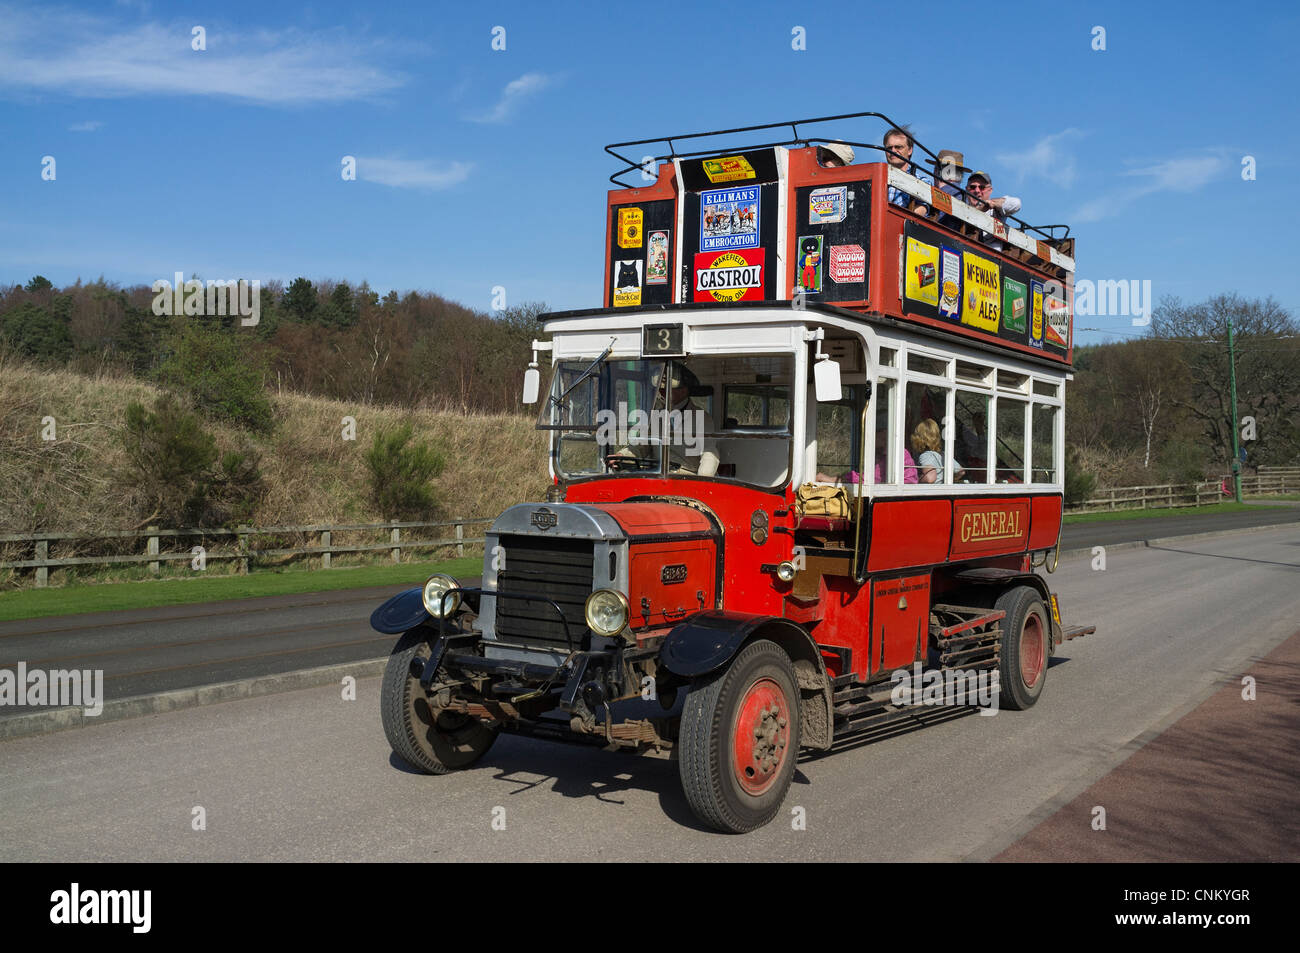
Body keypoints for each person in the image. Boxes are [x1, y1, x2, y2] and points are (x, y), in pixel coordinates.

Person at [607, 364, 719, 476]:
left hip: (686, 480)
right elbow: (642, 445)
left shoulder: (701, 418)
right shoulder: (656, 415)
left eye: (668, 389)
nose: (662, 392)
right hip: (657, 477)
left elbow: (709, 453)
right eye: (660, 389)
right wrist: (622, 456)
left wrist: (702, 482)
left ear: (684, 390)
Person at [965, 170, 1021, 252]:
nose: (977, 191)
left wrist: (992, 203)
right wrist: (980, 208)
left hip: (990, 259)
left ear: (990, 190)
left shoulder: (994, 211)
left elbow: (1016, 204)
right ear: (966, 189)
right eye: (973, 187)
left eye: (982, 187)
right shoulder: (960, 205)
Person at [883, 127, 931, 215]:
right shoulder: (879, 177)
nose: (893, 151)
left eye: (898, 147)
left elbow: (922, 208)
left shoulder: (920, 180)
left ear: (909, 150)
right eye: (889, 148)